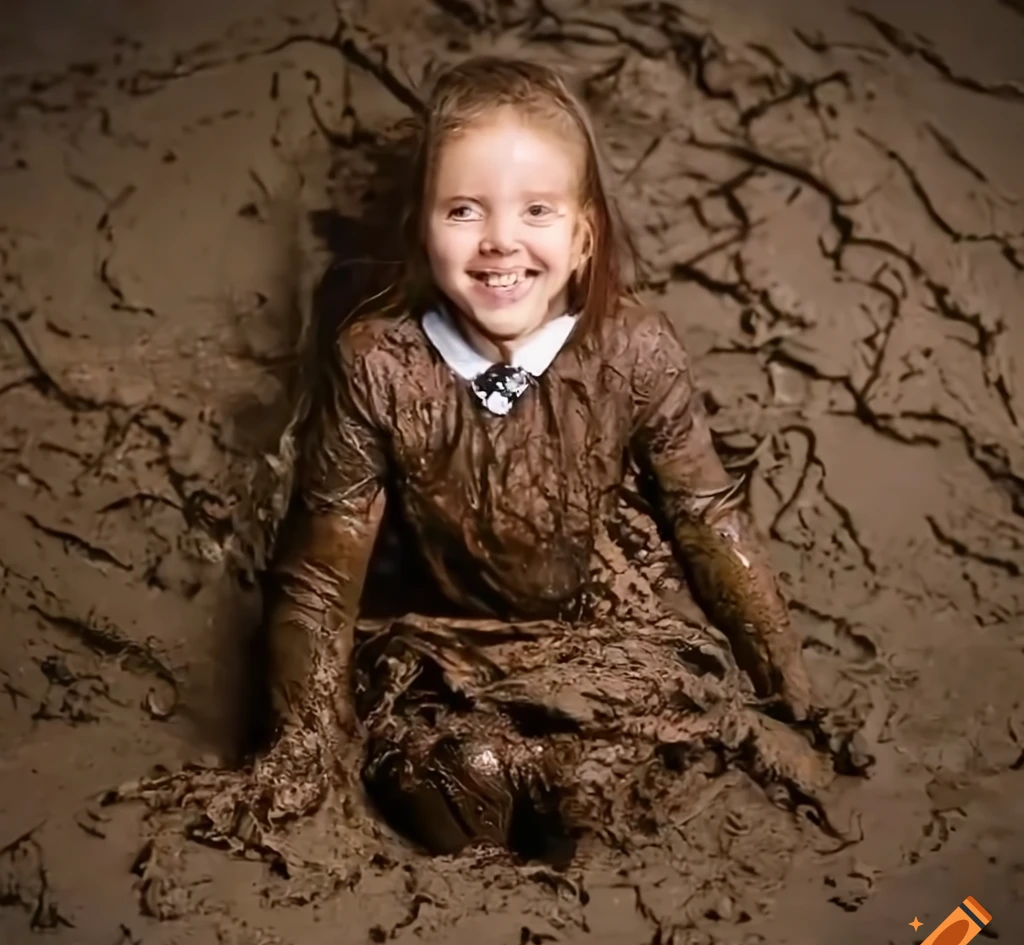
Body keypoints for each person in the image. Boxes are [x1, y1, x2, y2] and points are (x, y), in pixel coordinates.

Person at [254, 56, 821, 855]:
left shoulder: (633, 347)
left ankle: (576, 783)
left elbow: (704, 514)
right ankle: (513, 798)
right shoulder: (380, 363)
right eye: (462, 211)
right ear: (422, 224)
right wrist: (301, 742)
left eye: (537, 211)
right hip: (452, 641)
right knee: (442, 772)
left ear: (584, 234)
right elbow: (319, 573)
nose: (500, 242)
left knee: (663, 706)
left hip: (605, 627)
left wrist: (781, 677)